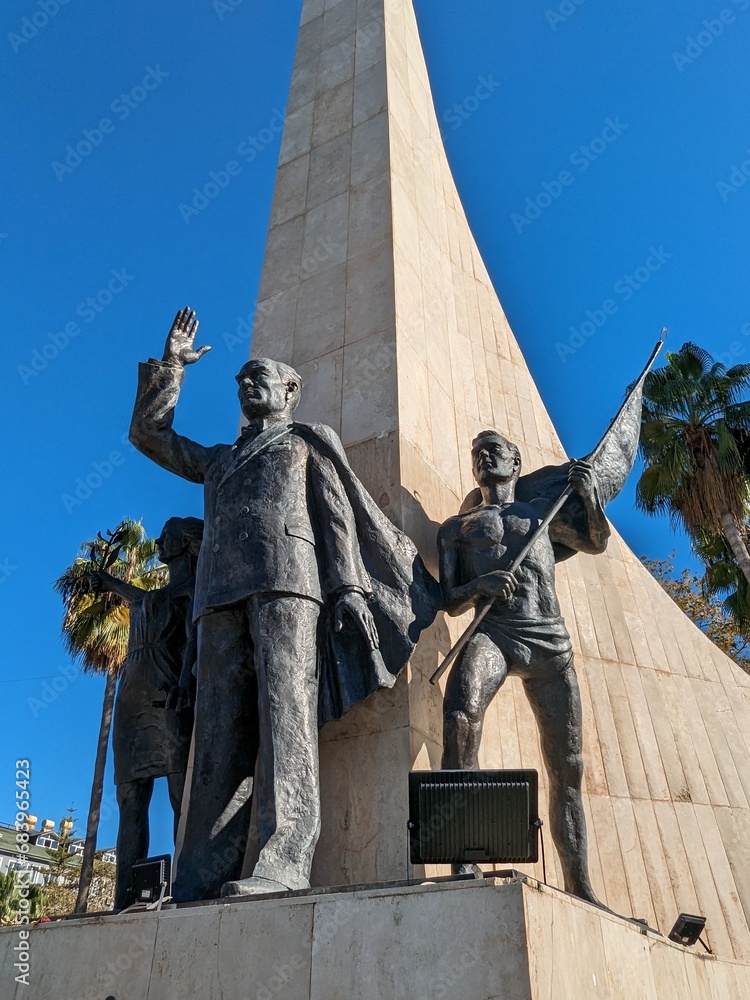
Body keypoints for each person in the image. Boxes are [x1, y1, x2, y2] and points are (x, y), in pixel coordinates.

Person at [129, 308, 438, 901]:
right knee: (219, 737)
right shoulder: (219, 459)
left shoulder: (304, 442)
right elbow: (151, 437)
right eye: (240, 379)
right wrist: (172, 366)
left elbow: (337, 516)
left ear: (291, 390)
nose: (246, 385)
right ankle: (201, 874)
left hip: (290, 589)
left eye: (259, 376)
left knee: (286, 722)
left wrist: (347, 587)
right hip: (218, 600)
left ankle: (285, 859)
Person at [438, 429, 610, 905]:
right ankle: (463, 856)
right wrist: (481, 585)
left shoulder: (541, 514)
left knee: (568, 769)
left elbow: (595, 542)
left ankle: (580, 886)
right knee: (458, 717)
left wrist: (590, 497)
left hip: (549, 642)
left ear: (516, 462)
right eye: (476, 453)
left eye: (494, 450)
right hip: (493, 634)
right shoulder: (456, 529)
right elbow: (448, 600)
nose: (484, 456)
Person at [92, 516, 202, 911]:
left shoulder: (193, 592)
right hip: (131, 702)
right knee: (129, 797)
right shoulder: (150, 597)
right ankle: (124, 899)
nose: (159, 540)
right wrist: (106, 581)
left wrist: (187, 685)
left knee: (179, 796)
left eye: (167, 535)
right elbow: (135, 595)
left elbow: (196, 643)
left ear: (186, 544)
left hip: (168, 695)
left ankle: (186, 889)